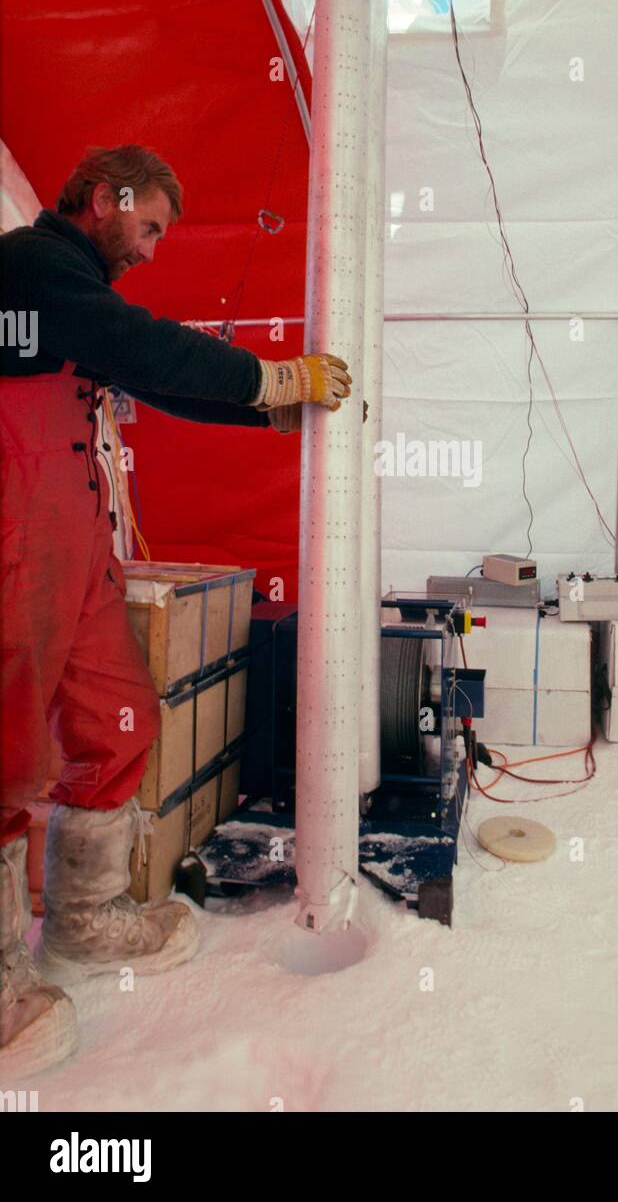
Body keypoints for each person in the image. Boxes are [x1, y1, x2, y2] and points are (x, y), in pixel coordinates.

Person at [0, 144, 351, 1074]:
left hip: (73, 545)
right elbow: (143, 344)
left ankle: (85, 918)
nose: (153, 248)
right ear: (106, 198)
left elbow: (147, 372)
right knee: (2, 755)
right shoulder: (30, 264)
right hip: (11, 543)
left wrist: (264, 410)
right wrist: (269, 377)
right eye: (148, 224)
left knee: (117, 717)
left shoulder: (73, 297)